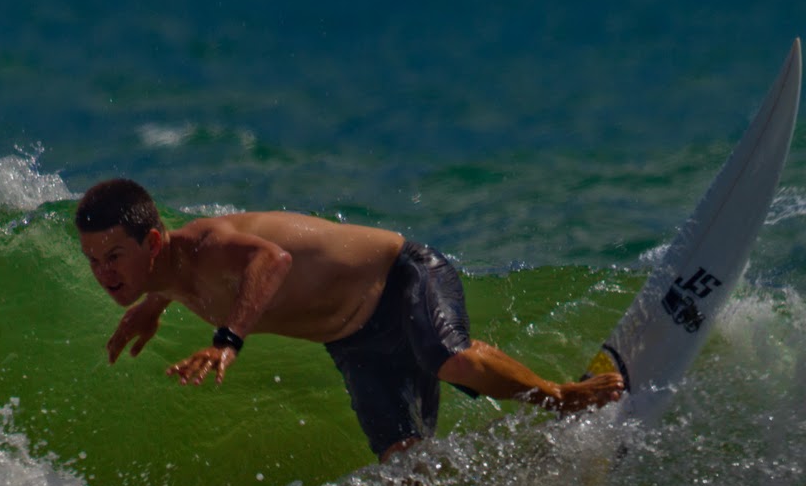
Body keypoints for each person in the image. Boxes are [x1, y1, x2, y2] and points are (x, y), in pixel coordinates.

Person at [74, 178, 625, 463]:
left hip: (401, 277)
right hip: (354, 340)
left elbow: (272, 260)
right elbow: (170, 280)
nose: (103, 273)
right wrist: (148, 306)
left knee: (447, 356)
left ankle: (564, 397)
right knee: (402, 467)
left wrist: (227, 341)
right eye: (93, 261)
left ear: (151, 241)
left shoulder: (208, 245)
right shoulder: (162, 274)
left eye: (114, 257)